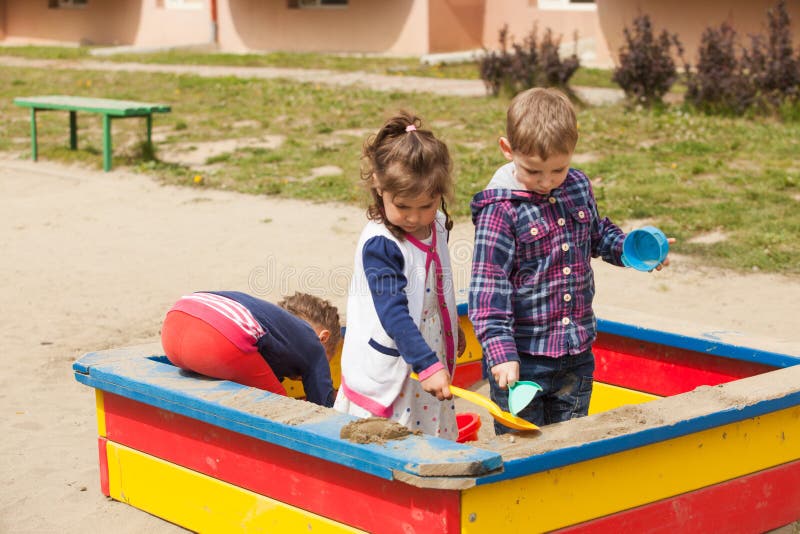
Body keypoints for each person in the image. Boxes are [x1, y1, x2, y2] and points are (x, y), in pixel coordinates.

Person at [469, 87, 673, 432]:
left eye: (557, 170)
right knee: (522, 454)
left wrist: (631, 249)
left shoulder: (577, 185)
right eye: (533, 171)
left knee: (570, 444)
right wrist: (501, 353)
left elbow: (596, 236)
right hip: (521, 360)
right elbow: (489, 290)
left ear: (573, 147)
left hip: (575, 354)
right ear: (508, 149)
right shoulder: (500, 211)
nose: (546, 182)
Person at [334, 112, 466, 440]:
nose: (414, 217)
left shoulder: (435, 224)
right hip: (394, 362)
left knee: (429, 436)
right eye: (403, 206)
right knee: (392, 438)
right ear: (379, 187)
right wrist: (427, 362)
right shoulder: (382, 243)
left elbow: (435, 288)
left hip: (427, 348)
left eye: (427, 204)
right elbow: (393, 313)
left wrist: (451, 328)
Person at [161, 290, 341, 407]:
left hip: (175, 325)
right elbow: (322, 409)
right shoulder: (313, 344)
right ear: (323, 339)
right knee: (280, 407)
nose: (298, 379)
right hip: (218, 337)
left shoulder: (270, 325)